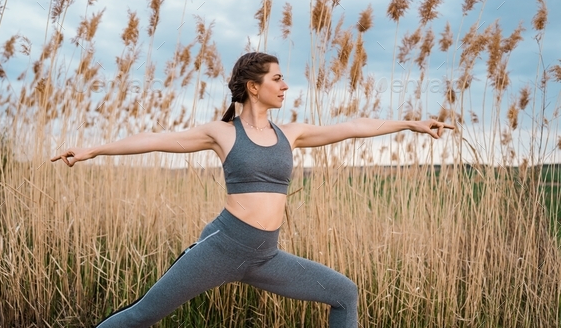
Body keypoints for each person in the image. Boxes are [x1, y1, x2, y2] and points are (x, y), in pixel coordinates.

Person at [51, 52, 454, 327]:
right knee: (143, 315)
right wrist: (94, 149)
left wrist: (411, 123)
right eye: (277, 79)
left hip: (266, 256)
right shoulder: (222, 133)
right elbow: (157, 138)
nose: (285, 86)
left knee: (344, 293)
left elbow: (351, 127)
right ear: (253, 86)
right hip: (223, 249)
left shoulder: (291, 134)